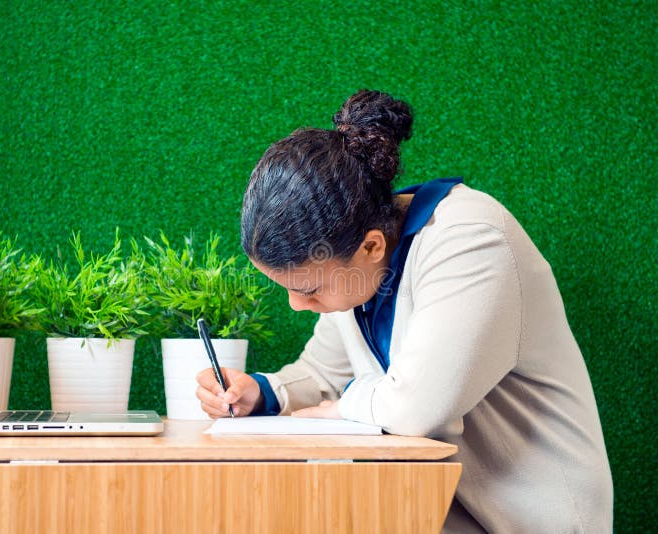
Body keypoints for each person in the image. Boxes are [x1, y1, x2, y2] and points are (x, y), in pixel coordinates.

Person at [195, 89, 613, 532]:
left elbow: (416, 406)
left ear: (371, 246)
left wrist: (342, 406)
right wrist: (261, 393)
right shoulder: (355, 266)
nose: (297, 305)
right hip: (434, 510)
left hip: (528, 520)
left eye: (309, 289)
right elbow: (323, 373)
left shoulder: (470, 240)